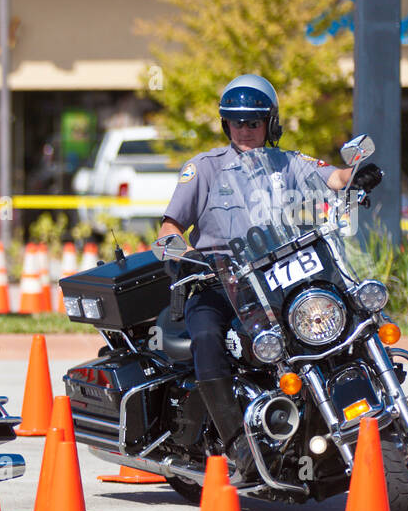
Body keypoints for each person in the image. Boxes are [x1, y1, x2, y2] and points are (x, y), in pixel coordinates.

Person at [158, 73, 381, 481]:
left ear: (270, 123)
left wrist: (358, 176)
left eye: (254, 122)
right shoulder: (204, 169)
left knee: (340, 315)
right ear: (226, 124)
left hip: (279, 280)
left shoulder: (288, 163)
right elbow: (170, 227)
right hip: (220, 282)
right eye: (236, 123)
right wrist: (188, 257)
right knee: (207, 337)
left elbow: (333, 178)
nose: (244, 131)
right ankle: (236, 442)